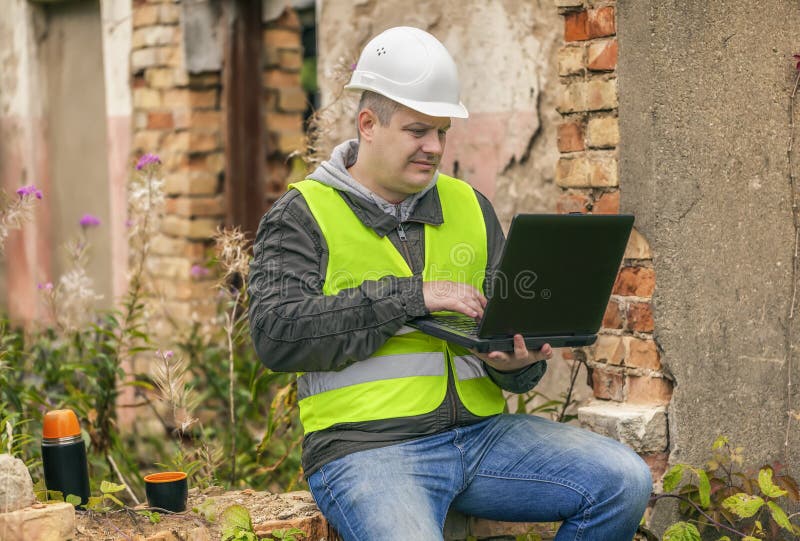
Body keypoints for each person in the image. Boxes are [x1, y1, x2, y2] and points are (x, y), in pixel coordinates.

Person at [249, 26, 652, 541]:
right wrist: (413, 295)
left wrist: (517, 365)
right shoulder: (302, 215)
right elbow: (276, 335)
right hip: (367, 449)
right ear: (368, 124)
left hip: (484, 439)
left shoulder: (469, 205)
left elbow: (506, 343)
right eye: (418, 131)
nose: (434, 147)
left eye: (441, 131)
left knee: (623, 481)